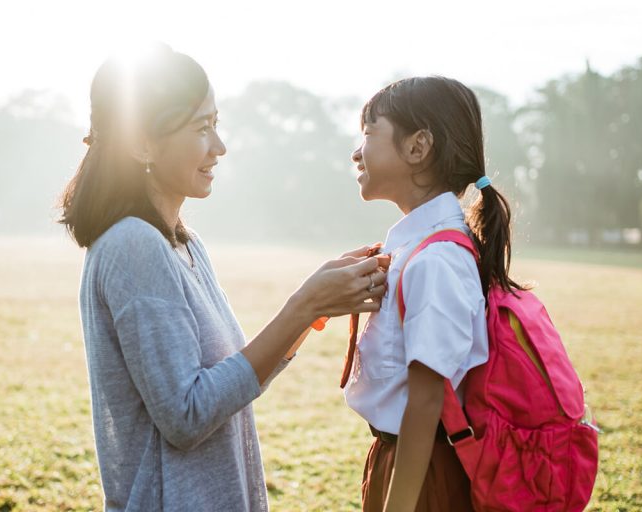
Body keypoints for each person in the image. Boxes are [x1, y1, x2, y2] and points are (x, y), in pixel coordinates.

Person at [57, 43, 388, 512]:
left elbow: (233, 379)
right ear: (140, 143)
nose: (220, 146)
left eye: (216, 123)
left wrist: (319, 304)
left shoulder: (184, 243)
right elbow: (186, 416)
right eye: (201, 128)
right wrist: (304, 305)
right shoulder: (132, 246)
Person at [343, 76, 521, 512]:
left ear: (418, 148)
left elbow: (426, 403)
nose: (356, 151)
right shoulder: (418, 250)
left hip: (423, 475)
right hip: (403, 460)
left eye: (368, 133)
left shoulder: (435, 260)